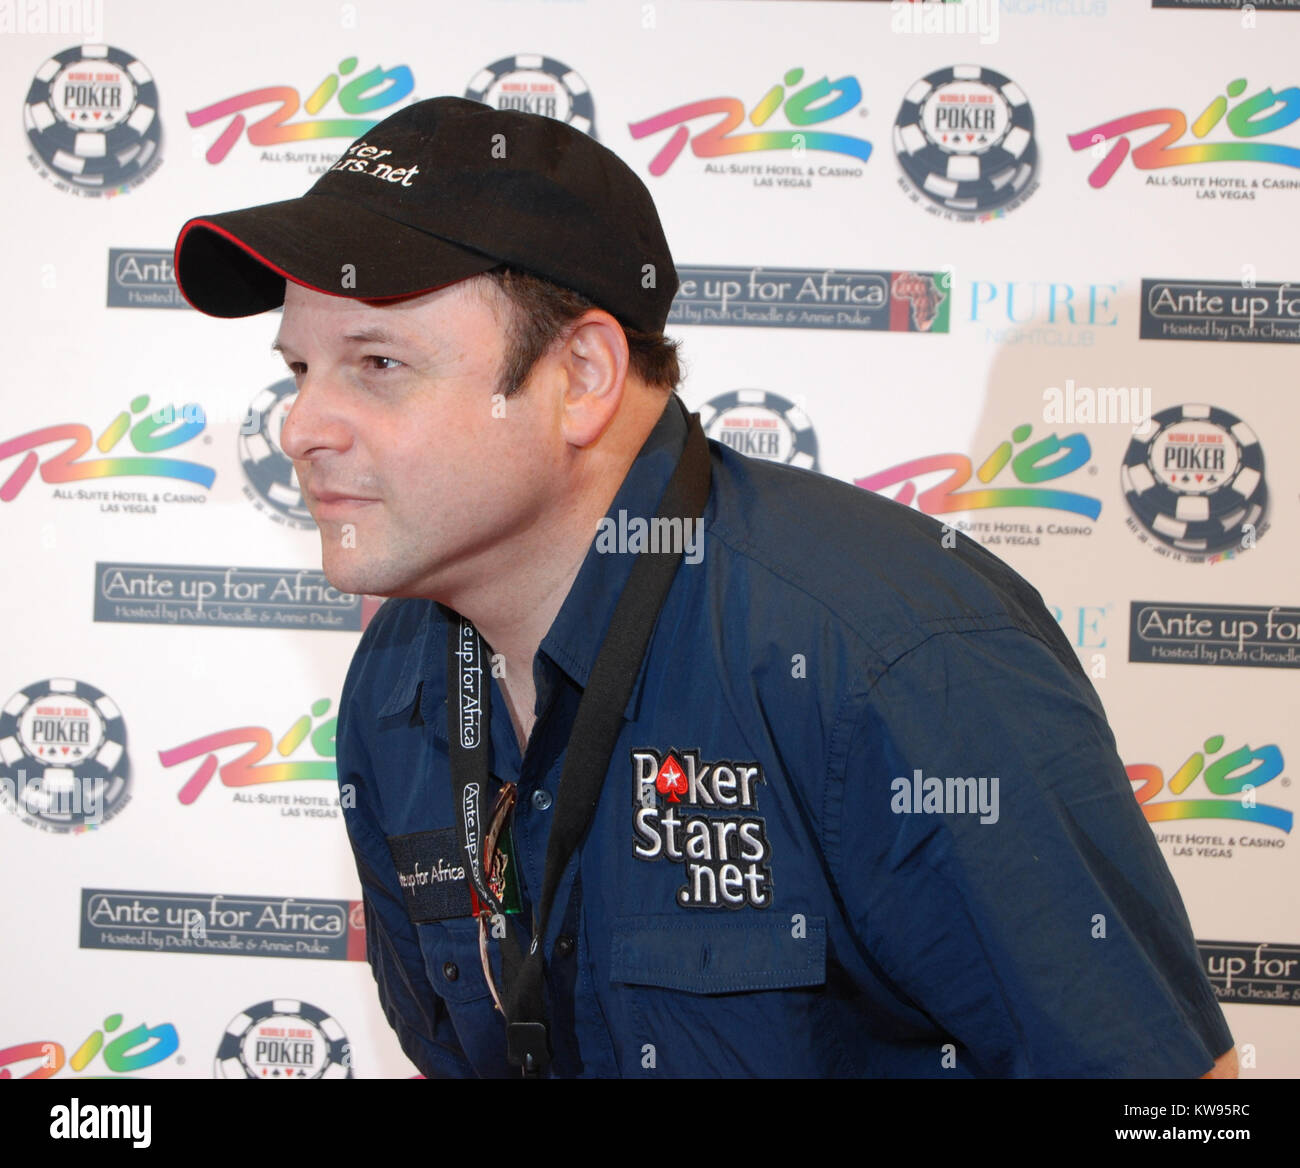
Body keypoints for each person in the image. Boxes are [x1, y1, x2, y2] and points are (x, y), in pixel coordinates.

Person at [173, 96, 1236, 1079]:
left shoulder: (893, 655)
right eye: (298, 371)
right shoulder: (395, 682)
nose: (302, 427)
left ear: (580, 377)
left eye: (377, 364)